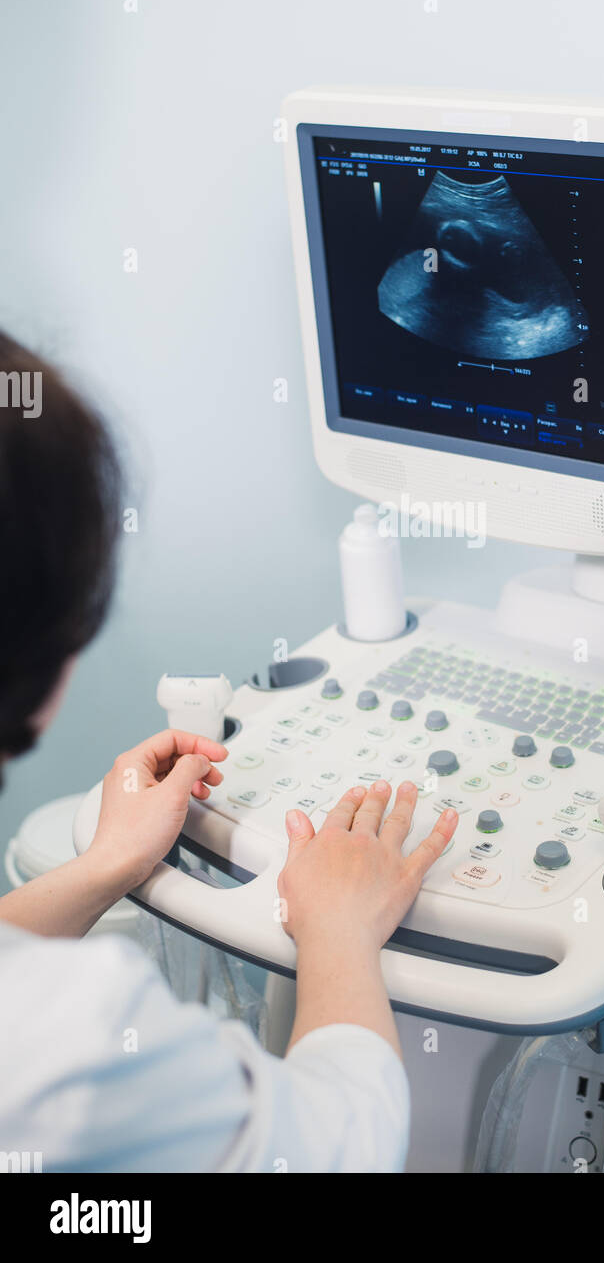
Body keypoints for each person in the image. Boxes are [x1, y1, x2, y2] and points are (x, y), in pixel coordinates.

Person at [0, 329, 458, 1172]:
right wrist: (340, 937)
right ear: (59, 656)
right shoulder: (73, 1047)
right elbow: (334, 1150)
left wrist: (104, 865)